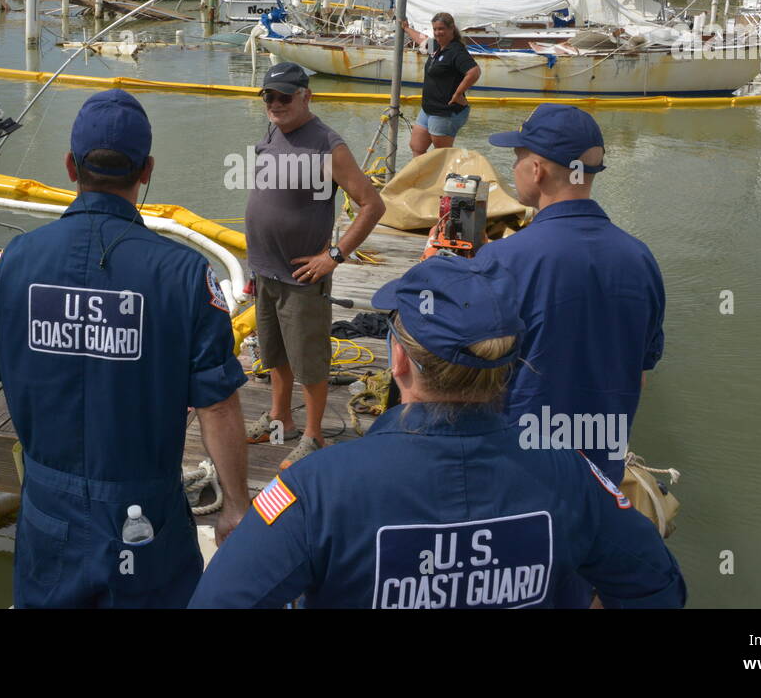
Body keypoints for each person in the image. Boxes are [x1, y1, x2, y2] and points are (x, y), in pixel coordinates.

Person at [189, 255, 686, 609]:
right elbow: (658, 587)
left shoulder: (317, 488)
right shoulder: (570, 476)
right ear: (508, 366)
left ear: (399, 359)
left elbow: (222, 600)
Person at [0, 89, 249, 608]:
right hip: (146, 516)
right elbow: (216, 404)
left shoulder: (14, 261)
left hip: (49, 512)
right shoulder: (184, 275)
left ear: (69, 166)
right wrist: (235, 506)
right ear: (146, 171)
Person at [479, 105, 666, 609]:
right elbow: (639, 375)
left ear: (537, 169)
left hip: (519, 470)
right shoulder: (641, 259)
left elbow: (471, 378)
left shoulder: (501, 259)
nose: (514, 168)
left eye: (517, 158)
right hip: (599, 471)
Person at [243, 61, 385, 469]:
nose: (275, 103)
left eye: (285, 96)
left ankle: (313, 435)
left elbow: (372, 205)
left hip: (302, 277)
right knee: (274, 352)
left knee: (309, 360)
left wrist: (334, 256)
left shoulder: (328, 145)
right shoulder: (274, 130)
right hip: (265, 270)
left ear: (307, 96)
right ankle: (280, 419)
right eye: (269, 96)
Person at [400, 12, 481, 156]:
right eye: (435, 29)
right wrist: (406, 28)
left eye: (441, 29)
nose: (437, 32)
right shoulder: (437, 47)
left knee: (441, 154)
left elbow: (474, 72)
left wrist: (458, 94)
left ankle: (444, 172)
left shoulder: (456, 51)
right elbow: (421, 39)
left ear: (451, 29)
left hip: (445, 111)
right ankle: (421, 172)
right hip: (428, 108)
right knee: (416, 146)